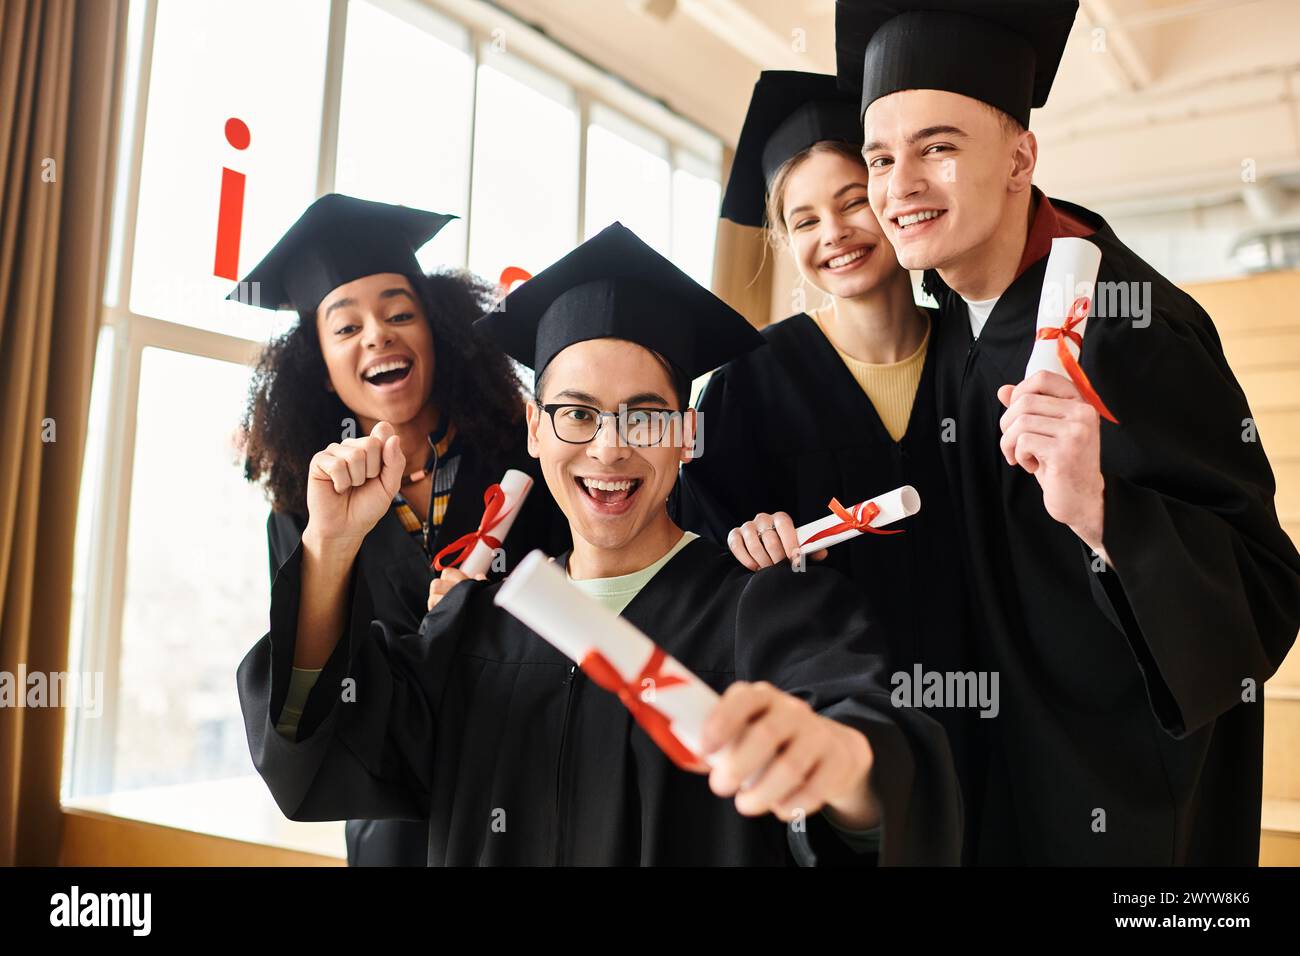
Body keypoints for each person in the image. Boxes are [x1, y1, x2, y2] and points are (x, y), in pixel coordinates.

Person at [237, 222, 962, 865]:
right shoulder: (474, 627)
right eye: (576, 414)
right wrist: (329, 550)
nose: (610, 449)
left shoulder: (768, 609)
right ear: (534, 429)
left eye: (646, 417)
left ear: (689, 435)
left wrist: (835, 765)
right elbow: (318, 751)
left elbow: (874, 767)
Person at [836, 0, 1300, 864]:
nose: (899, 187)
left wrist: (1102, 510)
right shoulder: (951, 312)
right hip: (985, 777)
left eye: (938, 147)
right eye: (881, 157)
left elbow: (1264, 594)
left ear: (1020, 158)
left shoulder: (1133, 326)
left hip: (1113, 805)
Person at [672, 70, 979, 857]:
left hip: (996, 717)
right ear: (782, 242)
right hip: (837, 732)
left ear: (891, 194)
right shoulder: (746, 387)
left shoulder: (981, 354)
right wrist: (747, 548)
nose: (833, 232)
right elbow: (703, 561)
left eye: (850, 200)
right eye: (802, 219)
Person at [235, 193, 569, 865]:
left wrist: (502, 617)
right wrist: (331, 548)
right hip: (397, 824)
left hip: (534, 787)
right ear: (321, 372)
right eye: (345, 327)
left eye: (398, 313)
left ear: (438, 333)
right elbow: (309, 700)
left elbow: (590, 589)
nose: (377, 335)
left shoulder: (524, 457)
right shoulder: (305, 512)